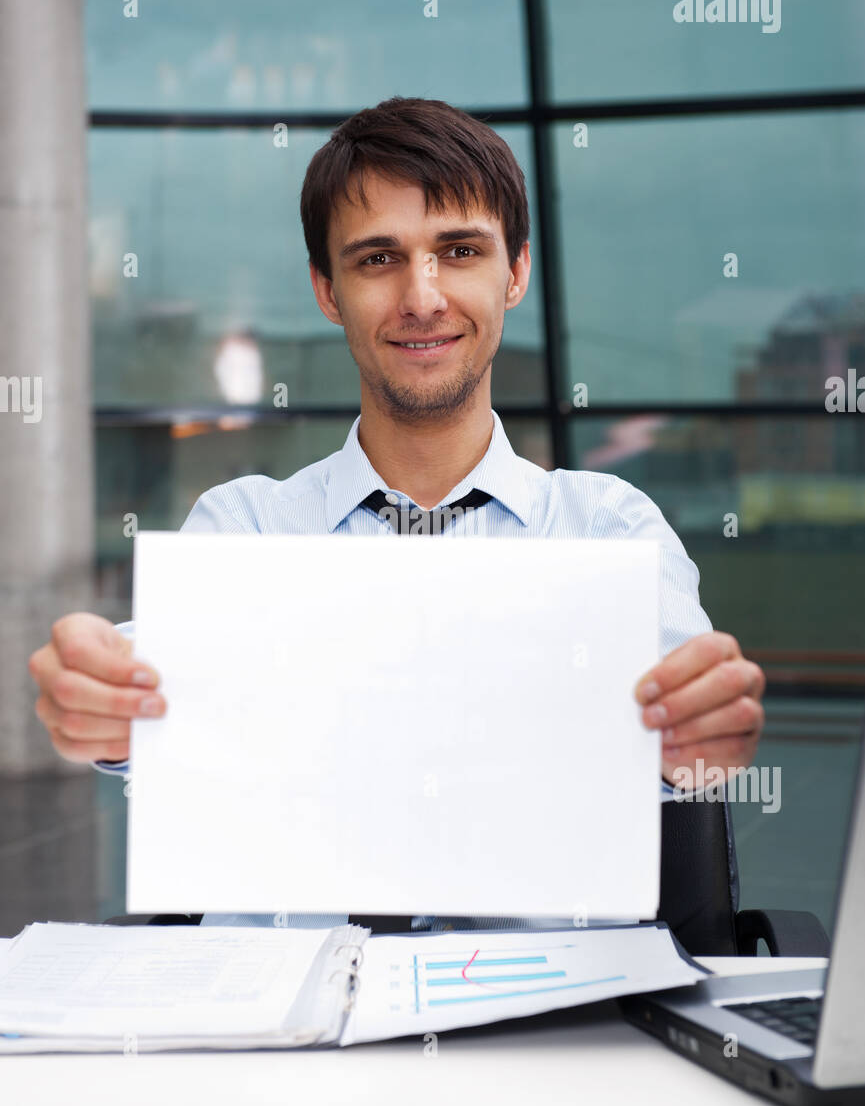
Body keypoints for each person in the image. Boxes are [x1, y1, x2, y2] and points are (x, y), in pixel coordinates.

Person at [27, 96, 765, 932]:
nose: (422, 297)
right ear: (326, 290)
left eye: (458, 251)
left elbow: (687, 749)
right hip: (289, 1044)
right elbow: (152, 692)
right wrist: (102, 705)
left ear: (515, 271)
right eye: (378, 258)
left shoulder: (610, 527)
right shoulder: (245, 529)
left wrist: (704, 746)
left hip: (552, 1034)